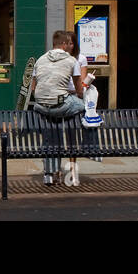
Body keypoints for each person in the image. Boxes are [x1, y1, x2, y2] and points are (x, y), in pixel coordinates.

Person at [29, 30, 85, 184]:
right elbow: (79, 89)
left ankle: (49, 173)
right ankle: (87, 141)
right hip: (61, 106)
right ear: (64, 44)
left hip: (40, 106)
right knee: (82, 105)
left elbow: (33, 87)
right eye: (68, 43)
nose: (69, 46)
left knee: (50, 135)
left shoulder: (40, 59)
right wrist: (79, 96)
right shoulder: (71, 60)